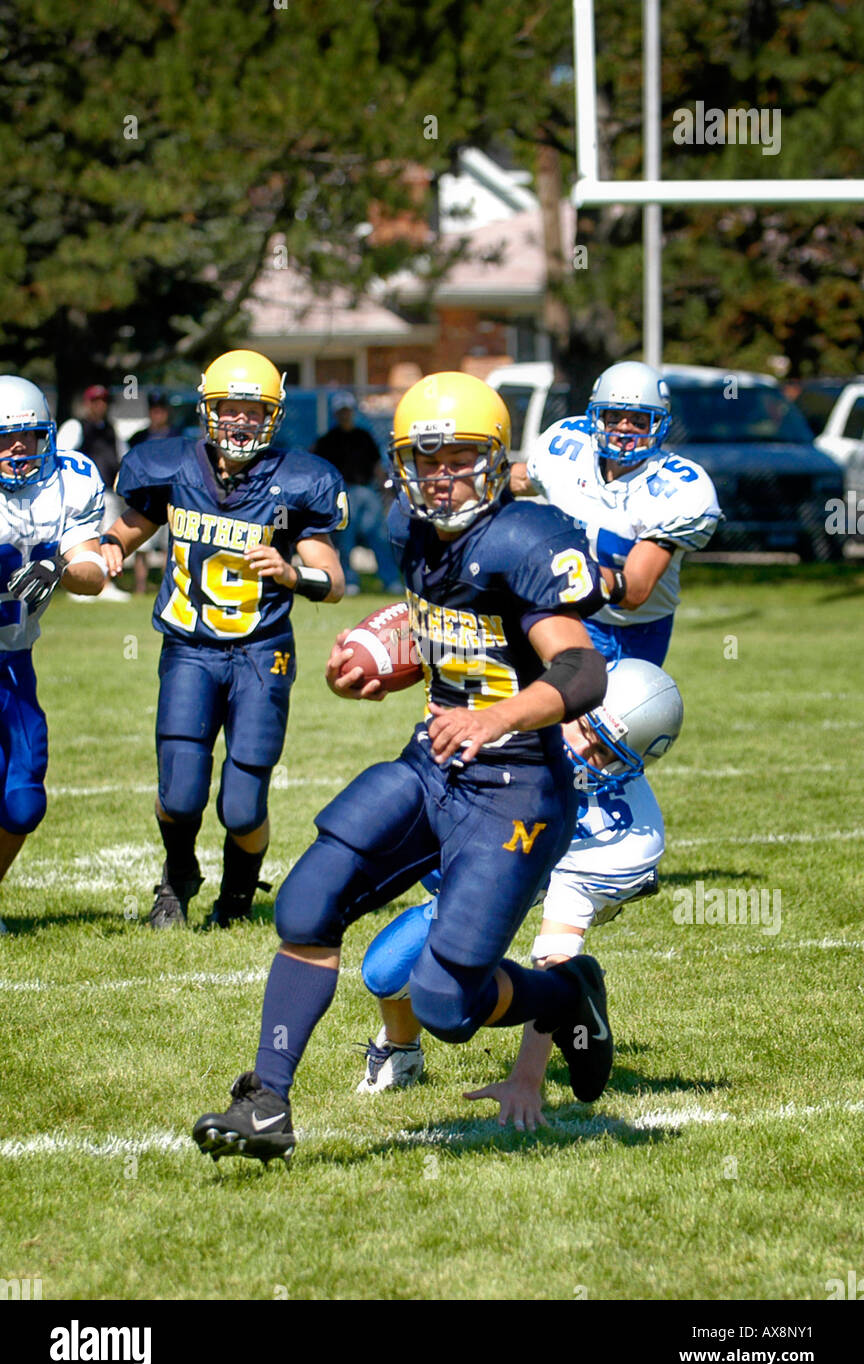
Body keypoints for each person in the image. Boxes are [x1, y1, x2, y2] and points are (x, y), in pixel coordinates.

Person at [192, 370, 615, 1168]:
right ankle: (267, 1102)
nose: (444, 475)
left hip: (517, 788)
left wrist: (496, 716)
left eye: (461, 457)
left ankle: (566, 995)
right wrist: (388, 659)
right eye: (428, 460)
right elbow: (454, 637)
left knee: (446, 1003)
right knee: (309, 902)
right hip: (432, 765)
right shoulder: (406, 529)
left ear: (494, 461)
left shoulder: (527, 539)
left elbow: (581, 673)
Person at [355, 660, 682, 1124]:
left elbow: (553, 964)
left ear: (632, 766)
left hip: (555, 860)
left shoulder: (620, 839)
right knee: (386, 972)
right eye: (583, 726)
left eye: (604, 753)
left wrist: (527, 1078)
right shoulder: (519, 708)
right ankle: (402, 1051)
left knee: (455, 994)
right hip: (502, 832)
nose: (579, 750)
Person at [99, 349, 347, 930]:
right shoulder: (172, 469)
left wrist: (292, 573)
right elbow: (122, 533)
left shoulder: (297, 481)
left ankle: (236, 895)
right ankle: (178, 874)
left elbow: (333, 581)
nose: (239, 421)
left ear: (274, 416)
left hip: (262, 651)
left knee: (241, 805)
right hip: (189, 647)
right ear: (208, 410)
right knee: (181, 793)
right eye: (228, 409)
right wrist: (107, 547)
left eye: (253, 410)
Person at [510, 362, 721, 666]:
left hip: (636, 630)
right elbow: (522, 479)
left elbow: (635, 590)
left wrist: (567, 574)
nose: (624, 429)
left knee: (624, 713)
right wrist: (479, 480)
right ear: (597, 417)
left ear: (658, 425)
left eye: (639, 420)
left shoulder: (678, 487)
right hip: (568, 613)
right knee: (557, 704)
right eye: (614, 417)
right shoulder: (567, 449)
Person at [0, 376, 109, 930]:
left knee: (23, 802)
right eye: (4, 440)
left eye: (28, 438)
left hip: (14, 660)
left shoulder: (69, 481)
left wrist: (62, 567)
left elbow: (92, 571)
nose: (17, 451)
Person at [313, 389, 403, 596]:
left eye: (348, 410)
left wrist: (385, 490)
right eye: (341, 411)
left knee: (380, 536)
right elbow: (320, 469)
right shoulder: (328, 439)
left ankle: (390, 580)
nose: (345, 415)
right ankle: (349, 580)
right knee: (346, 539)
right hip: (343, 494)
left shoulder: (364, 436)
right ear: (336, 413)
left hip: (367, 492)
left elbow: (377, 465)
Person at [57, 384, 128, 602]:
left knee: (106, 538)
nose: (101, 406)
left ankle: (105, 584)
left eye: (104, 401)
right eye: (96, 401)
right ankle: (77, 584)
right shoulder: (75, 426)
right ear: (88, 403)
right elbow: (60, 455)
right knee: (81, 538)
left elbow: (121, 456)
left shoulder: (111, 428)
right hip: (80, 497)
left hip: (107, 492)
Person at [124, 391, 180, 594]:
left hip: (170, 496)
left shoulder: (177, 436)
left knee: (169, 545)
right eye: (154, 410)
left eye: (161, 410)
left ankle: (168, 586)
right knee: (142, 547)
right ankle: (140, 587)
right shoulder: (139, 438)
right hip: (145, 498)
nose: (157, 414)